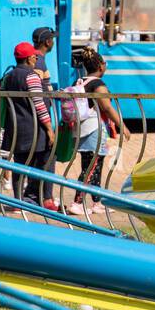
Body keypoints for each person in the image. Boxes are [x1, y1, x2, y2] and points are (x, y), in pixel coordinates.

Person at [65, 49, 128, 215]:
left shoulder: (79, 82)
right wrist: (122, 126)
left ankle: (97, 202)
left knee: (93, 166)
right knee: (92, 167)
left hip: (81, 129)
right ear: (101, 66)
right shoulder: (98, 85)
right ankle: (77, 203)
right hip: (94, 129)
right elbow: (106, 107)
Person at [0, 42, 56, 208]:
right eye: (34, 55)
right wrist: (49, 128)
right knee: (46, 159)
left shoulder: (8, 76)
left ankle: (18, 201)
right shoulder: (31, 76)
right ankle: (45, 198)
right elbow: (39, 103)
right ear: (29, 58)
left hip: (16, 128)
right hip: (34, 128)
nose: (36, 57)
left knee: (19, 164)